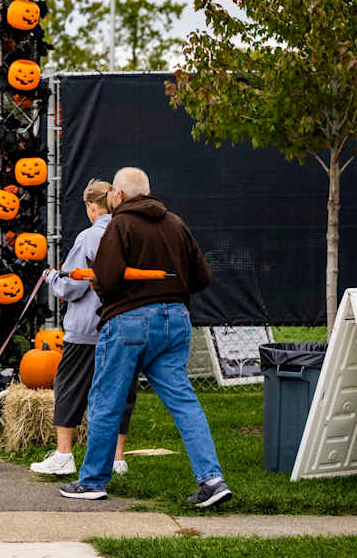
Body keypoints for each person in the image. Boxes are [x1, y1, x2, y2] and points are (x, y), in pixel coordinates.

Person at [60, 167, 232, 508]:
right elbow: (202, 276)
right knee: (183, 401)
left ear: (119, 195)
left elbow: (107, 279)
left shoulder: (120, 224)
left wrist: (100, 284)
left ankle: (92, 481)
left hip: (128, 322)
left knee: (106, 400)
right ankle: (212, 480)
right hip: (175, 321)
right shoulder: (176, 224)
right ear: (148, 192)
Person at [31, 179, 136, 476]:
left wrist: (53, 277)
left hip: (87, 328)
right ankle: (117, 458)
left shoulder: (89, 237)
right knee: (119, 391)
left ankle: (64, 454)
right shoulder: (129, 233)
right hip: (122, 327)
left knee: (70, 387)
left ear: (91, 206)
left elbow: (73, 287)